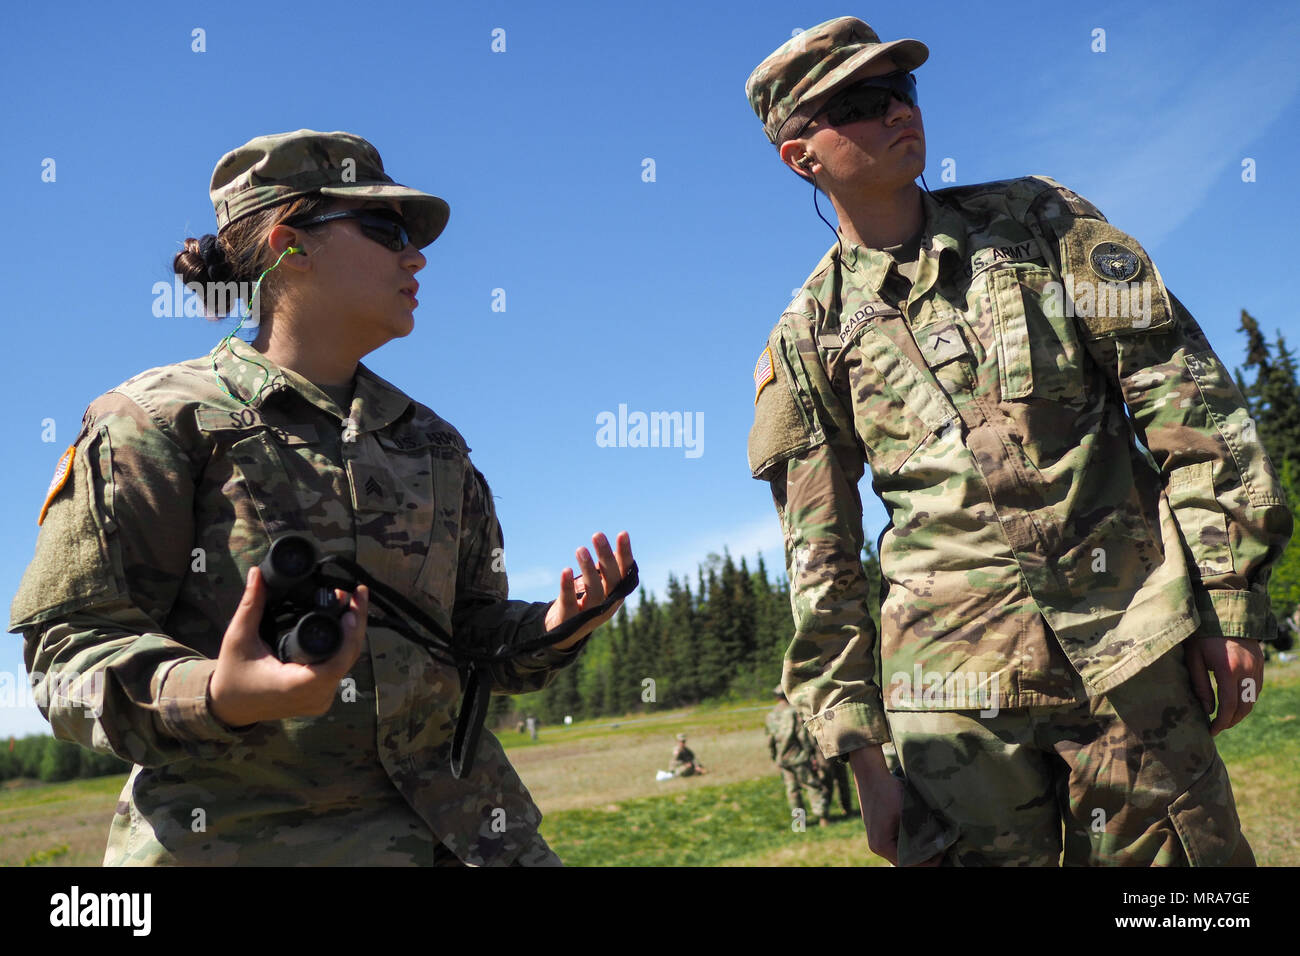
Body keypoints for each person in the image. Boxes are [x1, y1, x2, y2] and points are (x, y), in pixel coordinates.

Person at [743, 19, 1293, 866]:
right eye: (858, 102)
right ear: (799, 156)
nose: (895, 109)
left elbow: (1186, 401)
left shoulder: (1042, 223)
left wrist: (1229, 596)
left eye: (902, 89)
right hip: (955, 715)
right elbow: (821, 561)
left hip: (1132, 655)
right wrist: (859, 750)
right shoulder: (804, 340)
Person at [9, 129, 636, 866]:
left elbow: (471, 642)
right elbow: (68, 655)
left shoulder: (432, 443)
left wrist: (556, 625)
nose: (416, 255)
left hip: (470, 839)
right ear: (288, 243)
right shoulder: (155, 421)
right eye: (384, 229)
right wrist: (219, 693)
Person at [766, 686, 832, 826]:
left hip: (783, 759)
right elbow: (802, 735)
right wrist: (811, 753)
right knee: (812, 785)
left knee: (792, 790)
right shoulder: (793, 713)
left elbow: (770, 739)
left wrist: (775, 757)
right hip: (799, 756)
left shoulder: (771, 715)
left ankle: (799, 823)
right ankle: (823, 818)